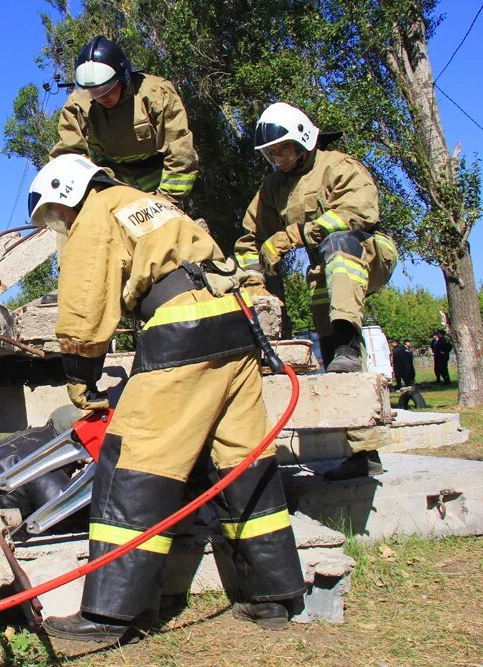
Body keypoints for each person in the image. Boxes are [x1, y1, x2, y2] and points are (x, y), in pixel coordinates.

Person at [27, 155, 305, 643]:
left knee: (135, 461)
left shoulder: (97, 212)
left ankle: (111, 615)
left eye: (56, 213)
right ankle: (273, 595)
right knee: (242, 462)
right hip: (234, 326)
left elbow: (85, 301)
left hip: (183, 333)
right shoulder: (151, 205)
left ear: (68, 191)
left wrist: (82, 377)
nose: (60, 223)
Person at [233, 102, 397, 373]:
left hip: (369, 250)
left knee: (339, 245)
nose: (277, 158)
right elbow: (250, 237)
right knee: (320, 286)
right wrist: (253, 280)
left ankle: (349, 346)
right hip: (325, 262)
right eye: (271, 152)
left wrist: (296, 234)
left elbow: (358, 213)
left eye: (282, 148)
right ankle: (338, 359)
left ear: (303, 138)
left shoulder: (337, 166)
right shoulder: (273, 187)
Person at [49, 35, 198, 204]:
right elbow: (67, 159)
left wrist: (165, 202)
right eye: (94, 92)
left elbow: (180, 151)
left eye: (107, 89)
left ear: (124, 77)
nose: (102, 97)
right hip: (114, 184)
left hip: (160, 179)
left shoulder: (156, 94)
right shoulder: (78, 107)